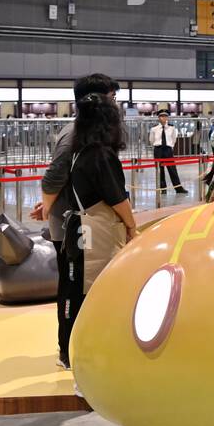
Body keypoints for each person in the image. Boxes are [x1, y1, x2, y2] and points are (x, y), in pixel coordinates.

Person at [29, 73, 119, 370]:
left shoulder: (89, 133)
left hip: (82, 223)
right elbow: (55, 175)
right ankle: (68, 350)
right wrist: (48, 207)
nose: (115, 104)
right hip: (74, 226)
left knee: (83, 287)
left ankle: (82, 344)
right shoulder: (73, 134)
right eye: (112, 97)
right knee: (72, 288)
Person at [41, 90, 137, 368]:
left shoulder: (80, 152)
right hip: (94, 235)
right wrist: (132, 227)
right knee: (88, 291)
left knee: (73, 290)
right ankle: (79, 351)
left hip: (77, 231)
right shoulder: (101, 155)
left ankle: (69, 348)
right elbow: (118, 198)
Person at [148, 109, 188, 196]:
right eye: (161, 116)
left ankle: (178, 188)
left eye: (165, 116)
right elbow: (151, 140)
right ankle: (163, 188)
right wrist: (156, 147)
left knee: (172, 169)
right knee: (160, 170)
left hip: (168, 149)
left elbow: (174, 139)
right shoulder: (154, 129)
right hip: (158, 149)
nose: (163, 118)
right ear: (158, 118)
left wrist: (170, 147)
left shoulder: (172, 128)